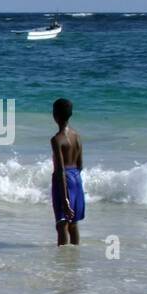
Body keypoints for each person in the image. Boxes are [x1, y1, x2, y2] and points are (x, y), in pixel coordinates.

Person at [51, 97, 85, 246]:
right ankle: (75, 256)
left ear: (55, 115)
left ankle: (63, 262)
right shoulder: (77, 136)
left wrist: (65, 198)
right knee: (73, 223)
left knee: (62, 224)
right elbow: (80, 165)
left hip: (64, 180)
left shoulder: (57, 140)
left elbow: (60, 170)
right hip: (76, 179)